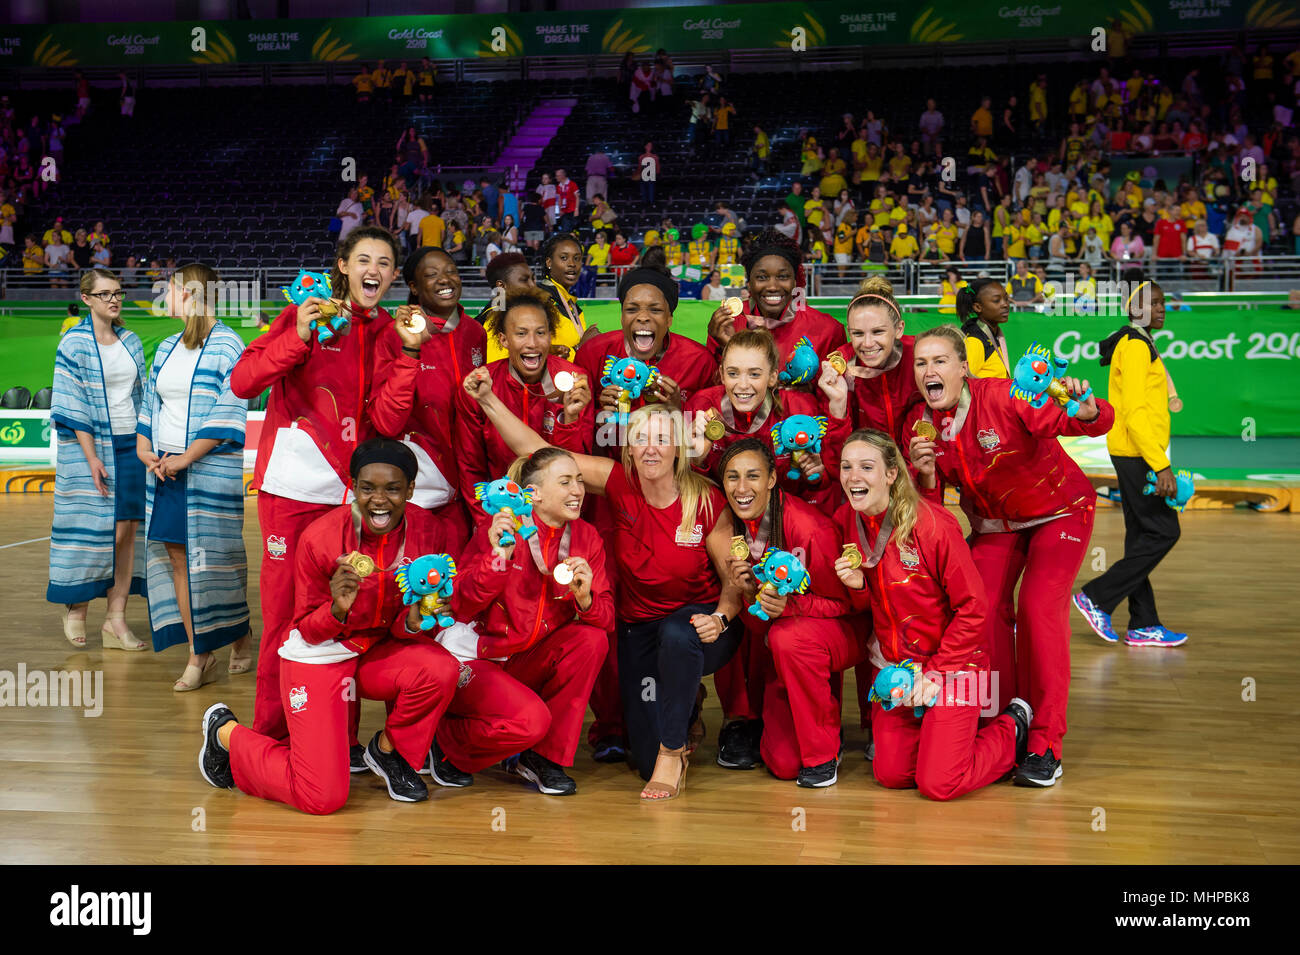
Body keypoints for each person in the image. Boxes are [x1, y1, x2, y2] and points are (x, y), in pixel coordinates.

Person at [464, 383, 744, 800]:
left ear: (679, 449)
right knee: (641, 759)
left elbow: (732, 581)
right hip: (640, 630)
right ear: (628, 449)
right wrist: (487, 399)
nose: (651, 449)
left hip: (700, 627)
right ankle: (680, 715)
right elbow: (539, 452)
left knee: (676, 634)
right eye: (641, 439)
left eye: (663, 439)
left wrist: (720, 617)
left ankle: (673, 751)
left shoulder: (705, 500)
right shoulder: (619, 482)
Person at [198, 440, 464, 813]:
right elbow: (307, 630)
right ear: (353, 487)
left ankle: (389, 752)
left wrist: (415, 621)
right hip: (321, 653)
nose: (379, 500)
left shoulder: (428, 531)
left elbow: (406, 624)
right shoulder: (321, 538)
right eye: (367, 488)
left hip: (377, 650)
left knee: (440, 668)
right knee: (322, 797)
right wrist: (337, 610)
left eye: (393, 489)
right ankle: (226, 734)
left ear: (410, 490)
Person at [906, 325, 1114, 786]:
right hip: (995, 525)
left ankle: (1045, 743)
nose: (929, 371)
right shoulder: (919, 426)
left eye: (940, 361)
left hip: (1058, 512)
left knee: (1038, 610)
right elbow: (934, 512)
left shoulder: (1002, 395)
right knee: (975, 608)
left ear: (964, 368)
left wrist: (1086, 410)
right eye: (921, 363)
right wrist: (922, 474)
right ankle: (1001, 719)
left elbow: (1063, 421)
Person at [230, 226, 401, 742]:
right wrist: (298, 335)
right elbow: (243, 382)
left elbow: (389, 421)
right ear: (344, 266)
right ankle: (272, 733)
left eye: (386, 262)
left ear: (393, 276)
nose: (374, 269)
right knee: (284, 614)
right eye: (363, 259)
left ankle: (339, 738)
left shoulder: (392, 330)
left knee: (343, 614)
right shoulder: (310, 311)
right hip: (293, 491)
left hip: (353, 500)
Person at [834, 429, 1031, 799]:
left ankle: (1013, 727)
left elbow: (974, 608)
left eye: (866, 467)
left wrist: (938, 673)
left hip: (956, 665)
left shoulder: (933, 525)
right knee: (891, 775)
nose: (853, 476)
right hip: (898, 668)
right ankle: (940, 739)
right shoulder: (847, 519)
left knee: (940, 783)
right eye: (846, 467)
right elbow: (866, 608)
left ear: (892, 474)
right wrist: (858, 588)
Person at [441, 447, 614, 794]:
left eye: (579, 481)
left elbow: (606, 618)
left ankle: (541, 759)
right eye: (565, 482)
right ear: (533, 494)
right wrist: (497, 558)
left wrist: (585, 599)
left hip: (527, 658)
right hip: (480, 657)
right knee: (531, 721)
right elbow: (461, 603)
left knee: (592, 640)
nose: (578, 490)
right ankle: (443, 744)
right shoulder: (502, 529)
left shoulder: (586, 537)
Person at [715, 439, 863, 787]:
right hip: (781, 642)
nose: (741, 488)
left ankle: (824, 751)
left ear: (771, 480)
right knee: (781, 764)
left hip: (836, 632)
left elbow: (848, 604)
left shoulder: (810, 528)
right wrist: (746, 589)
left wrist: (791, 606)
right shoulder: (730, 527)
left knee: (788, 636)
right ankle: (758, 720)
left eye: (753, 476)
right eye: (732, 478)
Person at [136, 263, 251, 689]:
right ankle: (199, 652)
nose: (161, 298)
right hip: (163, 468)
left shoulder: (227, 344)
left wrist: (186, 458)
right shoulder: (165, 347)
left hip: (203, 471)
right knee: (179, 559)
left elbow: (230, 410)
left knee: (216, 561)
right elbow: (150, 403)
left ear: (190, 294)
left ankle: (238, 633)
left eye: (167, 291)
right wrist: (145, 447)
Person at [1075, 281, 1187, 648]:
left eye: (1162, 302)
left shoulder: (1137, 342)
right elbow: (1136, 412)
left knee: (1140, 536)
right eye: (1151, 303)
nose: (1160, 309)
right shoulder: (1136, 346)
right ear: (1134, 309)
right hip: (1138, 454)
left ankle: (1144, 623)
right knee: (1164, 532)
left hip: (1133, 451)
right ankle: (1097, 596)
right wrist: (1161, 465)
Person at [47, 267, 147, 649]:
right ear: (87, 299)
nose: (114, 299)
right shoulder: (73, 343)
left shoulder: (131, 341)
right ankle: (76, 610)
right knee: (92, 534)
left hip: (130, 444)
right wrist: (91, 458)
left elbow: (141, 397)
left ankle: (116, 619)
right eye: (105, 294)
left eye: (118, 292)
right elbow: (73, 404)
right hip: (91, 449)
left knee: (126, 533)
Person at [369, 245, 486, 547]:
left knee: (457, 583)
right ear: (414, 287)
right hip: (420, 487)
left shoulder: (475, 333)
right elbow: (385, 422)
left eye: (451, 271)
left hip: (467, 489)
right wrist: (411, 349)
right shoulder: (394, 335)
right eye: (431, 275)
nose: (445, 279)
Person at [455, 289, 593, 508]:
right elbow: (471, 467)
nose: (532, 343)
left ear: (550, 335)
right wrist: (486, 519)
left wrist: (570, 420)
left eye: (541, 333)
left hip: (558, 509)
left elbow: (580, 465)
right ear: (504, 339)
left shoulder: (576, 381)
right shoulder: (480, 386)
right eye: (521, 334)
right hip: (500, 510)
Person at [706, 229, 845, 380]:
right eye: (762, 277)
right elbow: (715, 388)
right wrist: (727, 347)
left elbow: (836, 394)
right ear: (749, 282)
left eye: (783, 276)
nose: (772, 286)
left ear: (794, 281)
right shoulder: (727, 323)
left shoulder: (828, 330)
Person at [825, 276, 923, 452]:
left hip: (915, 467)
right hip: (864, 466)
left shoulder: (920, 355)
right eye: (858, 333)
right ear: (849, 332)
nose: (868, 343)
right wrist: (837, 407)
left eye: (878, 331)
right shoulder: (838, 366)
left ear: (899, 329)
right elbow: (833, 446)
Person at [537, 233, 597, 355]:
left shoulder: (573, 306)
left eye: (577, 258)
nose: (572, 264)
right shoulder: (539, 301)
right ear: (549, 262)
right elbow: (533, 354)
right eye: (564, 258)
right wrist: (581, 347)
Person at [958, 277, 1013, 379]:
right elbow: (962, 382)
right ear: (978, 307)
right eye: (996, 300)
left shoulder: (993, 333)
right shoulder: (975, 341)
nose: (1005, 304)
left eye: (1006, 298)